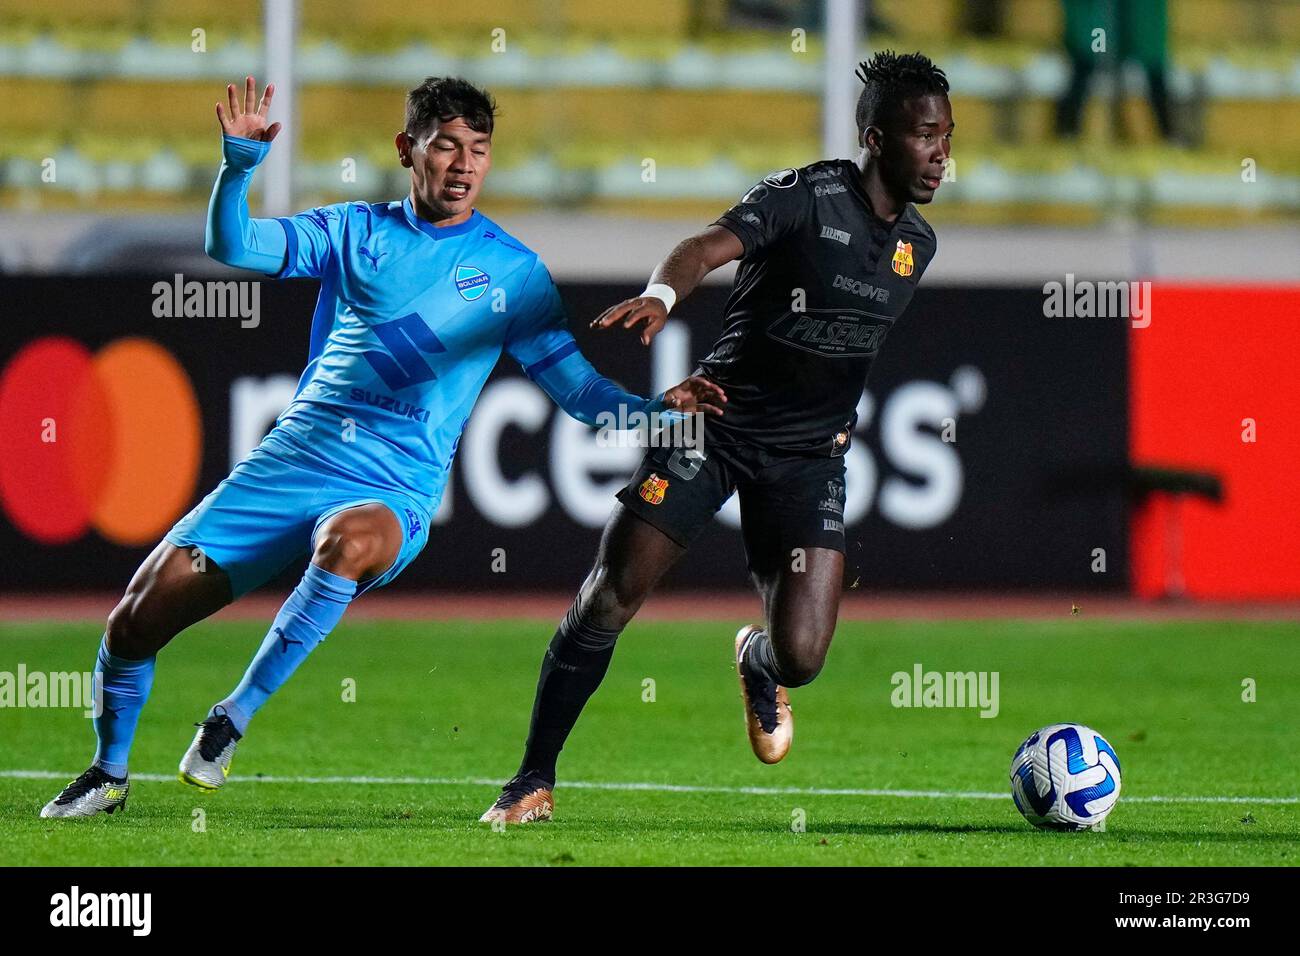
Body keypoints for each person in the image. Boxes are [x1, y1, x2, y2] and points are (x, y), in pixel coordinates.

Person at [40, 75, 723, 818]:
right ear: (407, 150)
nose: (463, 165)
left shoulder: (515, 273)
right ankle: (107, 773)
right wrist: (238, 167)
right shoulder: (354, 232)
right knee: (134, 621)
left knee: (346, 542)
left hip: (392, 489)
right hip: (291, 461)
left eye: (480, 150)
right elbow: (230, 244)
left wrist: (657, 414)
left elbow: (581, 393)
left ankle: (231, 716)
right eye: (446, 146)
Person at [482, 51, 952, 824]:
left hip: (808, 458)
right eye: (924, 135)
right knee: (609, 596)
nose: (941, 153)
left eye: (946, 136)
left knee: (801, 656)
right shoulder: (805, 197)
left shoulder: (918, 245)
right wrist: (663, 295)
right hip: (716, 424)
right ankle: (532, 778)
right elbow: (704, 246)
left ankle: (754, 661)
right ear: (875, 137)